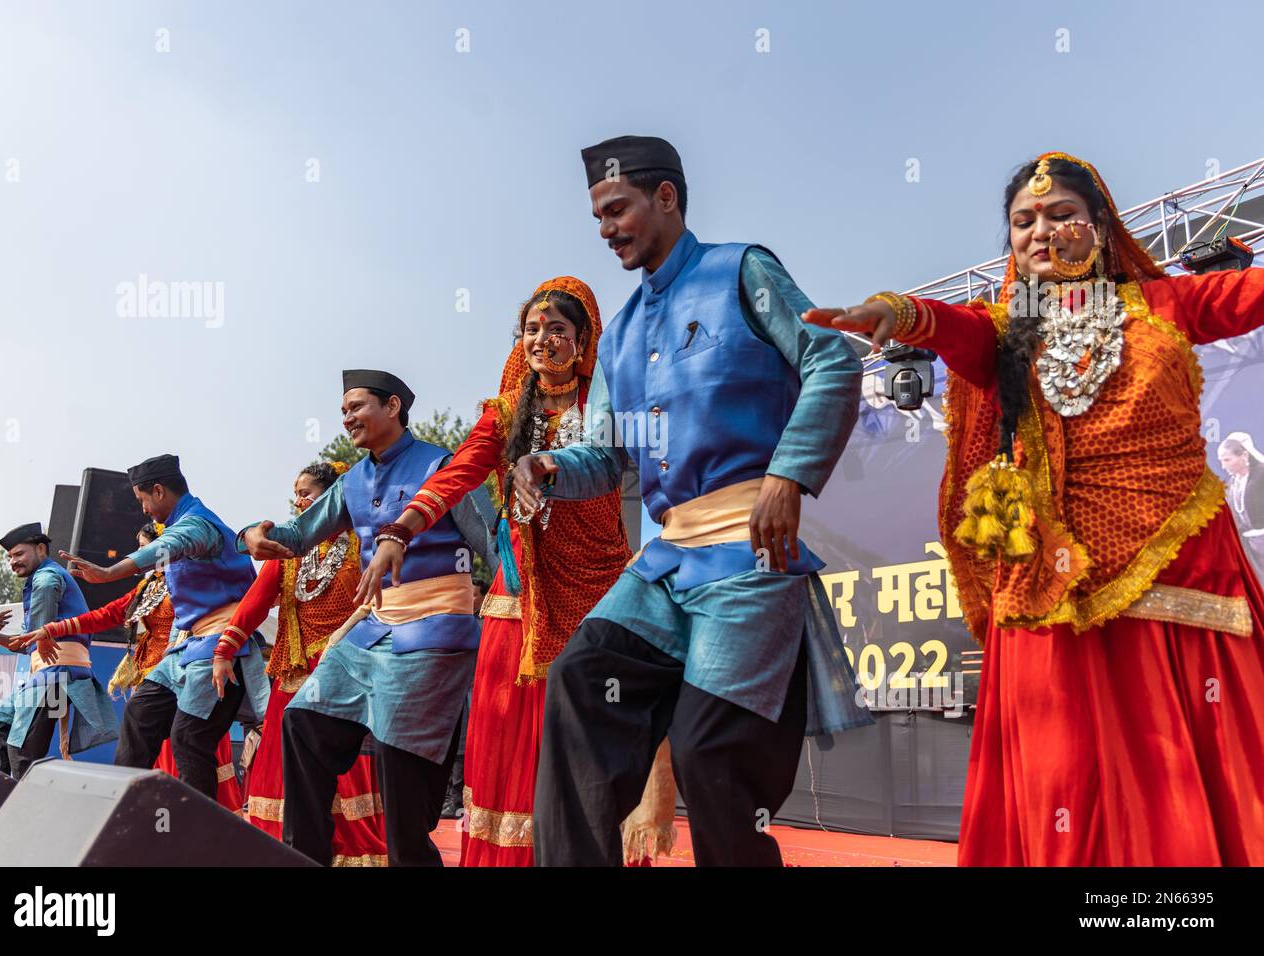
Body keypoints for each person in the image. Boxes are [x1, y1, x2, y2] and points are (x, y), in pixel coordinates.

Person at [806, 151, 1264, 865]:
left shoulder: (1165, 306)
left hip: (1177, 568)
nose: (1041, 231)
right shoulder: (1002, 332)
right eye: (1024, 221)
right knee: (1063, 775)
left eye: (1061, 215)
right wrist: (897, 312)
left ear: (1102, 228)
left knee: (1179, 768)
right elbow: (950, 326)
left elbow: (1249, 292)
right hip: (1051, 582)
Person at [512, 136, 870, 866]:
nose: (606, 229)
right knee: (581, 681)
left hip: (749, 549)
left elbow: (831, 357)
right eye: (598, 217)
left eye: (617, 210)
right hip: (668, 559)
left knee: (709, 750)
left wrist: (788, 475)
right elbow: (607, 456)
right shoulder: (618, 337)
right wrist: (549, 465)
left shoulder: (741, 270)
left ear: (667, 197)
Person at [370, 276, 677, 866]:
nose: (542, 339)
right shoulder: (507, 412)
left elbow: (632, 461)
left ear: (583, 341)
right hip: (518, 604)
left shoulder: (605, 408)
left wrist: (545, 466)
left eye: (557, 329)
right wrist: (400, 530)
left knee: (590, 742)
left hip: (595, 593)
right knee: (508, 742)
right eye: (532, 329)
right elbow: (457, 472)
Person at [239, 370, 489, 867]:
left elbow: (492, 541)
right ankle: (306, 859)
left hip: (435, 628)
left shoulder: (443, 465)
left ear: (393, 407)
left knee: (401, 767)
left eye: (356, 407)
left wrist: (518, 616)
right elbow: (298, 534)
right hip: (373, 628)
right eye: (343, 411)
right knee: (303, 721)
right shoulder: (352, 481)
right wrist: (249, 533)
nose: (347, 418)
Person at [60, 454, 268, 803]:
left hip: (219, 644)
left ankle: (196, 827)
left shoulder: (198, 524)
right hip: (184, 649)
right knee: (139, 715)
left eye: (142, 500)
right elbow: (116, 612)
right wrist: (53, 629)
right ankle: (123, 807)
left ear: (158, 491)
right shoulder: (171, 543)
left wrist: (110, 572)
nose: (143, 509)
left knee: (189, 739)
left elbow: (168, 546)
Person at [218, 461, 386, 866]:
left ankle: (351, 853)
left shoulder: (362, 541)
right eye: (296, 494)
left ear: (331, 499)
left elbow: (378, 603)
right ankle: (285, 852)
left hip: (345, 669)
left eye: (306, 493)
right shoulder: (287, 552)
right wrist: (224, 651)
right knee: (281, 764)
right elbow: (255, 603)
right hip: (294, 673)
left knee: (343, 770)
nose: (298, 501)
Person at [24, 521, 242, 811]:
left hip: (185, 674)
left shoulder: (188, 579)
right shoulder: (150, 585)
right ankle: (131, 812)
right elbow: (109, 614)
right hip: (155, 677)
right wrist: (54, 628)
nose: (139, 554)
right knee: (142, 735)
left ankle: (191, 820)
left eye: (143, 548)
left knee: (183, 748)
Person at [0, 523, 117, 779]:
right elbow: (29, 645)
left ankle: (20, 800)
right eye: (10, 557)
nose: (13, 561)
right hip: (48, 674)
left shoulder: (46, 577)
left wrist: (44, 632)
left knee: (21, 749)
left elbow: (46, 591)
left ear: (41, 549)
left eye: (18, 554)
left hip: (57, 675)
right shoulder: (39, 579)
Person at [1218, 433, 1264, 580]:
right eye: (1221, 461)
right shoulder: (1232, 484)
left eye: (1227, 460)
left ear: (1244, 455)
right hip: (1249, 548)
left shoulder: (1261, 475)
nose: (1223, 466)